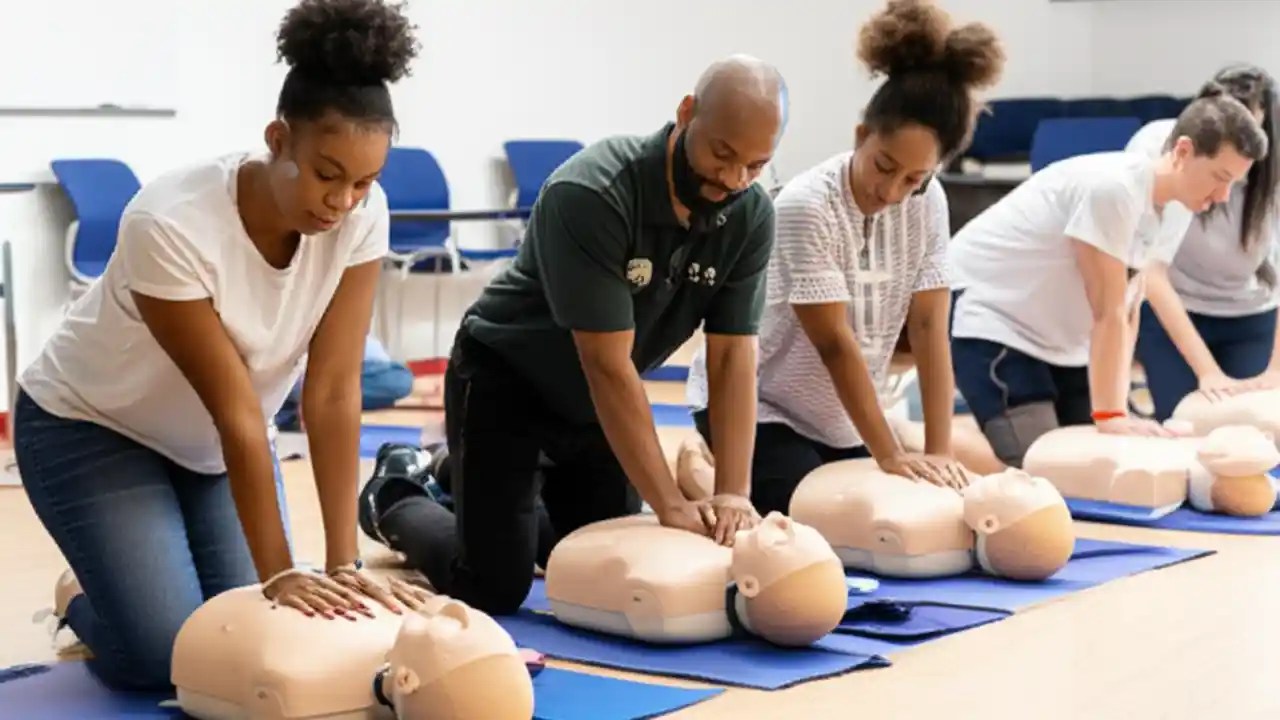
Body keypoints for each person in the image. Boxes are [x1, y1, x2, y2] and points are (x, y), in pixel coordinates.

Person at [14, 0, 424, 691]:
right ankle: (80, 602)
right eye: (326, 174)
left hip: (203, 451)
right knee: (165, 659)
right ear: (277, 138)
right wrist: (281, 572)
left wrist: (344, 565)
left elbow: (330, 391)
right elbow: (235, 408)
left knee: (247, 637)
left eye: (363, 182)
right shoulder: (170, 223)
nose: (343, 201)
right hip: (89, 429)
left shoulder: (360, 217)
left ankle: (139, 576)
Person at [362, 55, 788, 616]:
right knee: (494, 585)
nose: (734, 180)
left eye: (755, 166)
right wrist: (668, 502)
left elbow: (734, 356)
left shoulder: (751, 214)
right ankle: (400, 490)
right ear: (686, 114)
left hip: (595, 404)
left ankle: (457, 472)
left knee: (593, 566)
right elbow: (607, 365)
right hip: (507, 379)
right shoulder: (593, 192)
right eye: (722, 155)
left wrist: (735, 491)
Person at [685, 0, 1005, 516]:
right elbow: (834, 343)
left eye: (914, 179)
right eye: (884, 166)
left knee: (917, 498)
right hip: (759, 408)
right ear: (861, 136)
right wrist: (892, 455)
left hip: (839, 418)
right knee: (816, 520)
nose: (893, 190)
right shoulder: (805, 205)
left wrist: (939, 455)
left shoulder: (930, 202)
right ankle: (700, 469)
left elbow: (928, 328)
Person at [948, 90, 1267, 468]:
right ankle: (918, 442)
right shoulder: (1114, 189)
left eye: (1234, 183)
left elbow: (1130, 307)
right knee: (1042, 467)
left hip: (1063, 343)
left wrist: (1118, 413)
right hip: (995, 324)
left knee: (1097, 464)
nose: (1223, 195)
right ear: (1183, 152)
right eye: (1219, 177)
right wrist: (1112, 415)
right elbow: (1108, 310)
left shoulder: (1177, 207)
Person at [1125, 65, 1280, 420]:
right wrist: (1207, 371)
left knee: (1249, 429)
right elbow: (1150, 270)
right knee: (1182, 422)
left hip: (1249, 314)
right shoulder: (1162, 147)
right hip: (1173, 307)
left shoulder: (1270, 169)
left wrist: (1276, 369)